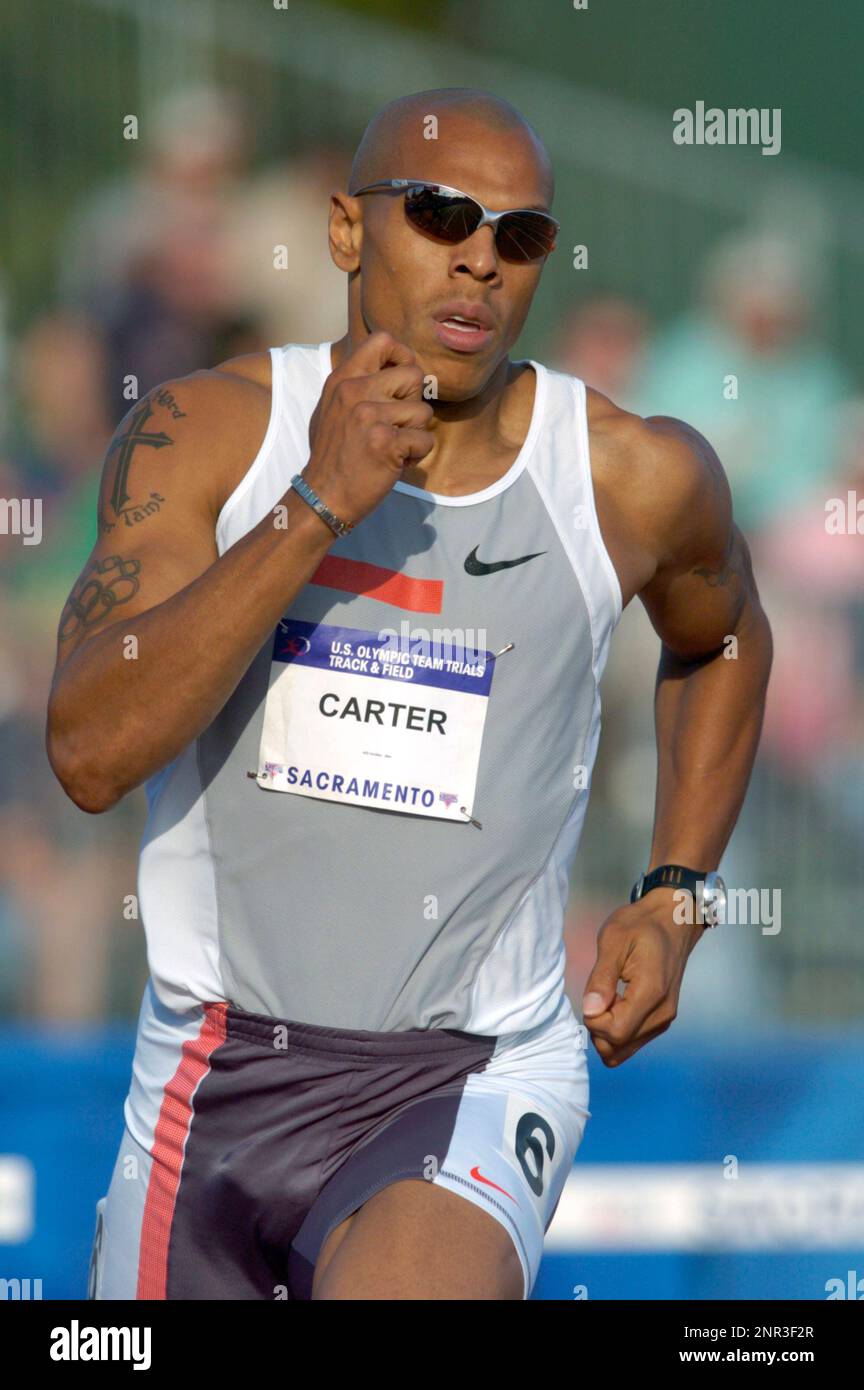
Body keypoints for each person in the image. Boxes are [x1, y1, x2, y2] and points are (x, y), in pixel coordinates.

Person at [46, 87, 772, 1301]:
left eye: (521, 235)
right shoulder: (211, 434)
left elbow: (726, 638)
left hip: (468, 1069)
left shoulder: (630, 475)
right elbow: (89, 752)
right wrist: (317, 502)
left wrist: (679, 886)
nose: (480, 256)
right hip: (214, 1070)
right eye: (441, 214)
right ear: (345, 231)